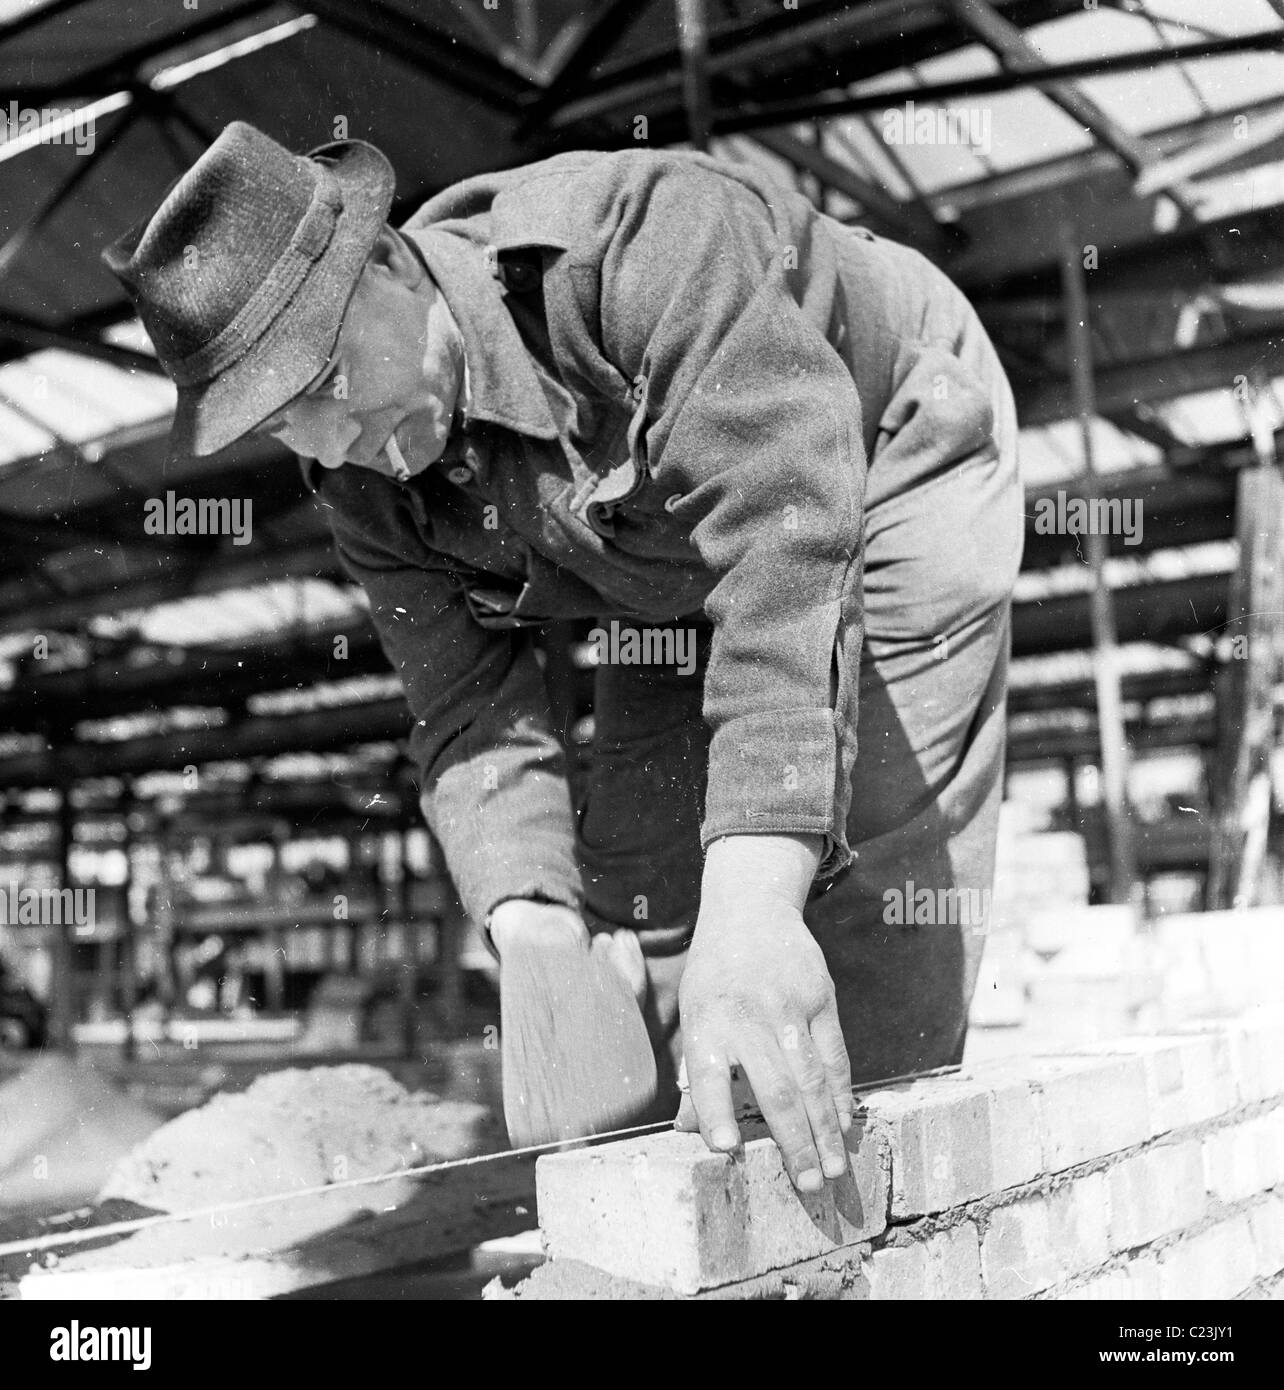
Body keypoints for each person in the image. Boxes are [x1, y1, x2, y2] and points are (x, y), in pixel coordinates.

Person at [103, 121, 1022, 1194]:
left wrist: (759, 903)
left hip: (883, 440)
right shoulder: (360, 477)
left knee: (849, 861)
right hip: (667, 559)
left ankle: (877, 1216)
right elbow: (467, 708)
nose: (329, 441)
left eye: (328, 378)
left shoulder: (643, 248)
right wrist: (534, 930)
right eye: (284, 423)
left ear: (393, 264)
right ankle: (692, 1201)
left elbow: (785, 545)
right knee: (638, 897)